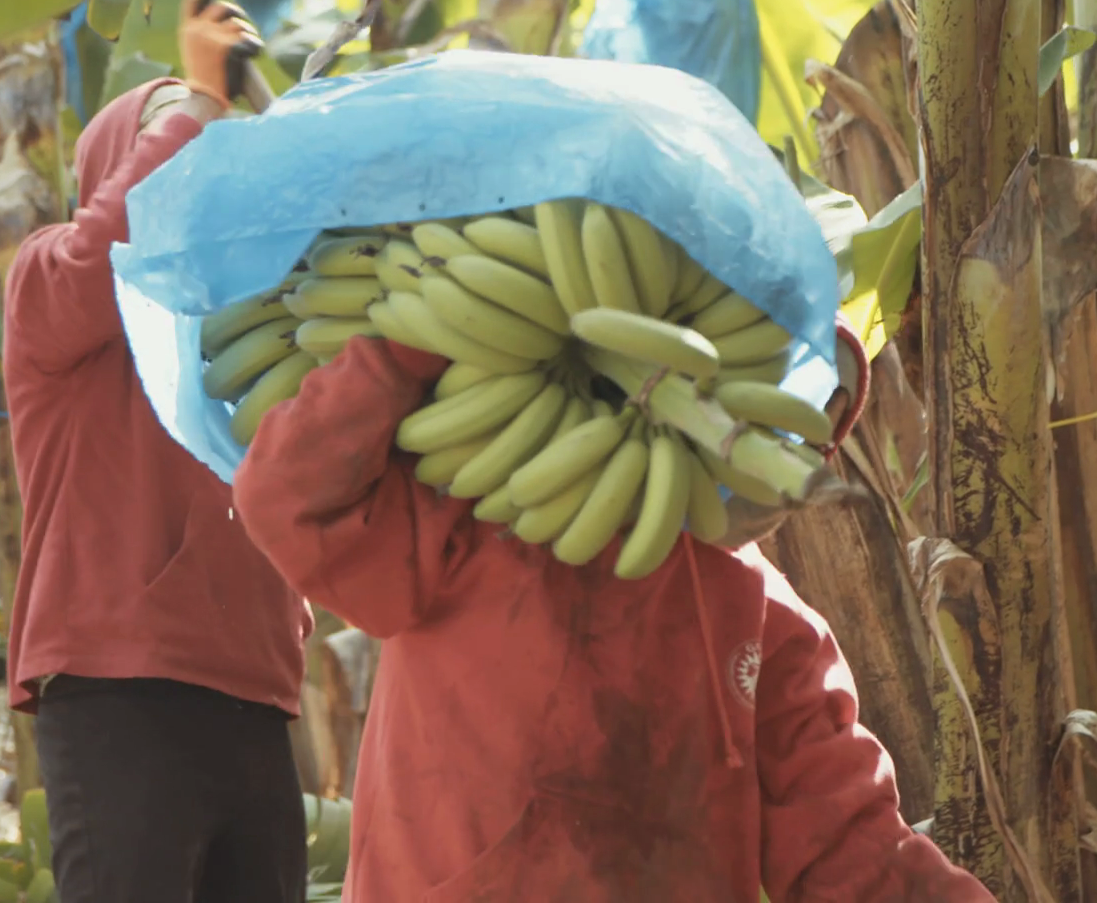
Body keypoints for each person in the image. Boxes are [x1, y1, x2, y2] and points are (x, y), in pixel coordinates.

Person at [232, 322, 998, 901]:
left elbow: (852, 846)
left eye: (813, 425)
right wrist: (419, 338)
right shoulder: (486, 511)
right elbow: (288, 497)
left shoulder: (768, 620)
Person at [1, 0, 312, 903]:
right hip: (116, 687)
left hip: (255, 691)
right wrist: (199, 105)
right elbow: (111, 249)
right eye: (171, 144)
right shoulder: (49, 283)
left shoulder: (248, 329)